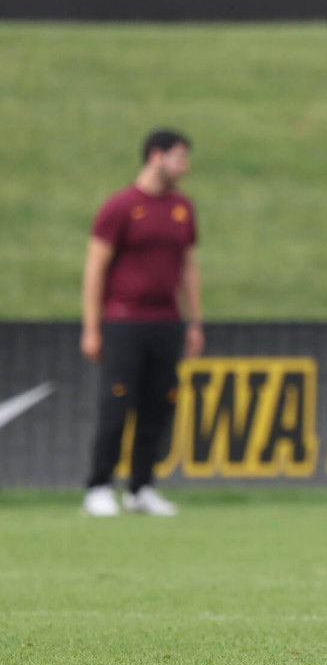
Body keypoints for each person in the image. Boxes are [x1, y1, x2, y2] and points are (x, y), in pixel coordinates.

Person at [81, 129, 203, 517]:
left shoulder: (182, 207)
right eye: (179, 156)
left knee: (158, 407)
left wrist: (194, 321)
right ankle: (99, 487)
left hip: (166, 322)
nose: (184, 165)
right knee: (116, 404)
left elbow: (188, 267)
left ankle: (141, 488)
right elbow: (95, 267)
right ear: (156, 156)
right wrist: (91, 326)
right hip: (124, 322)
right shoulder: (120, 206)